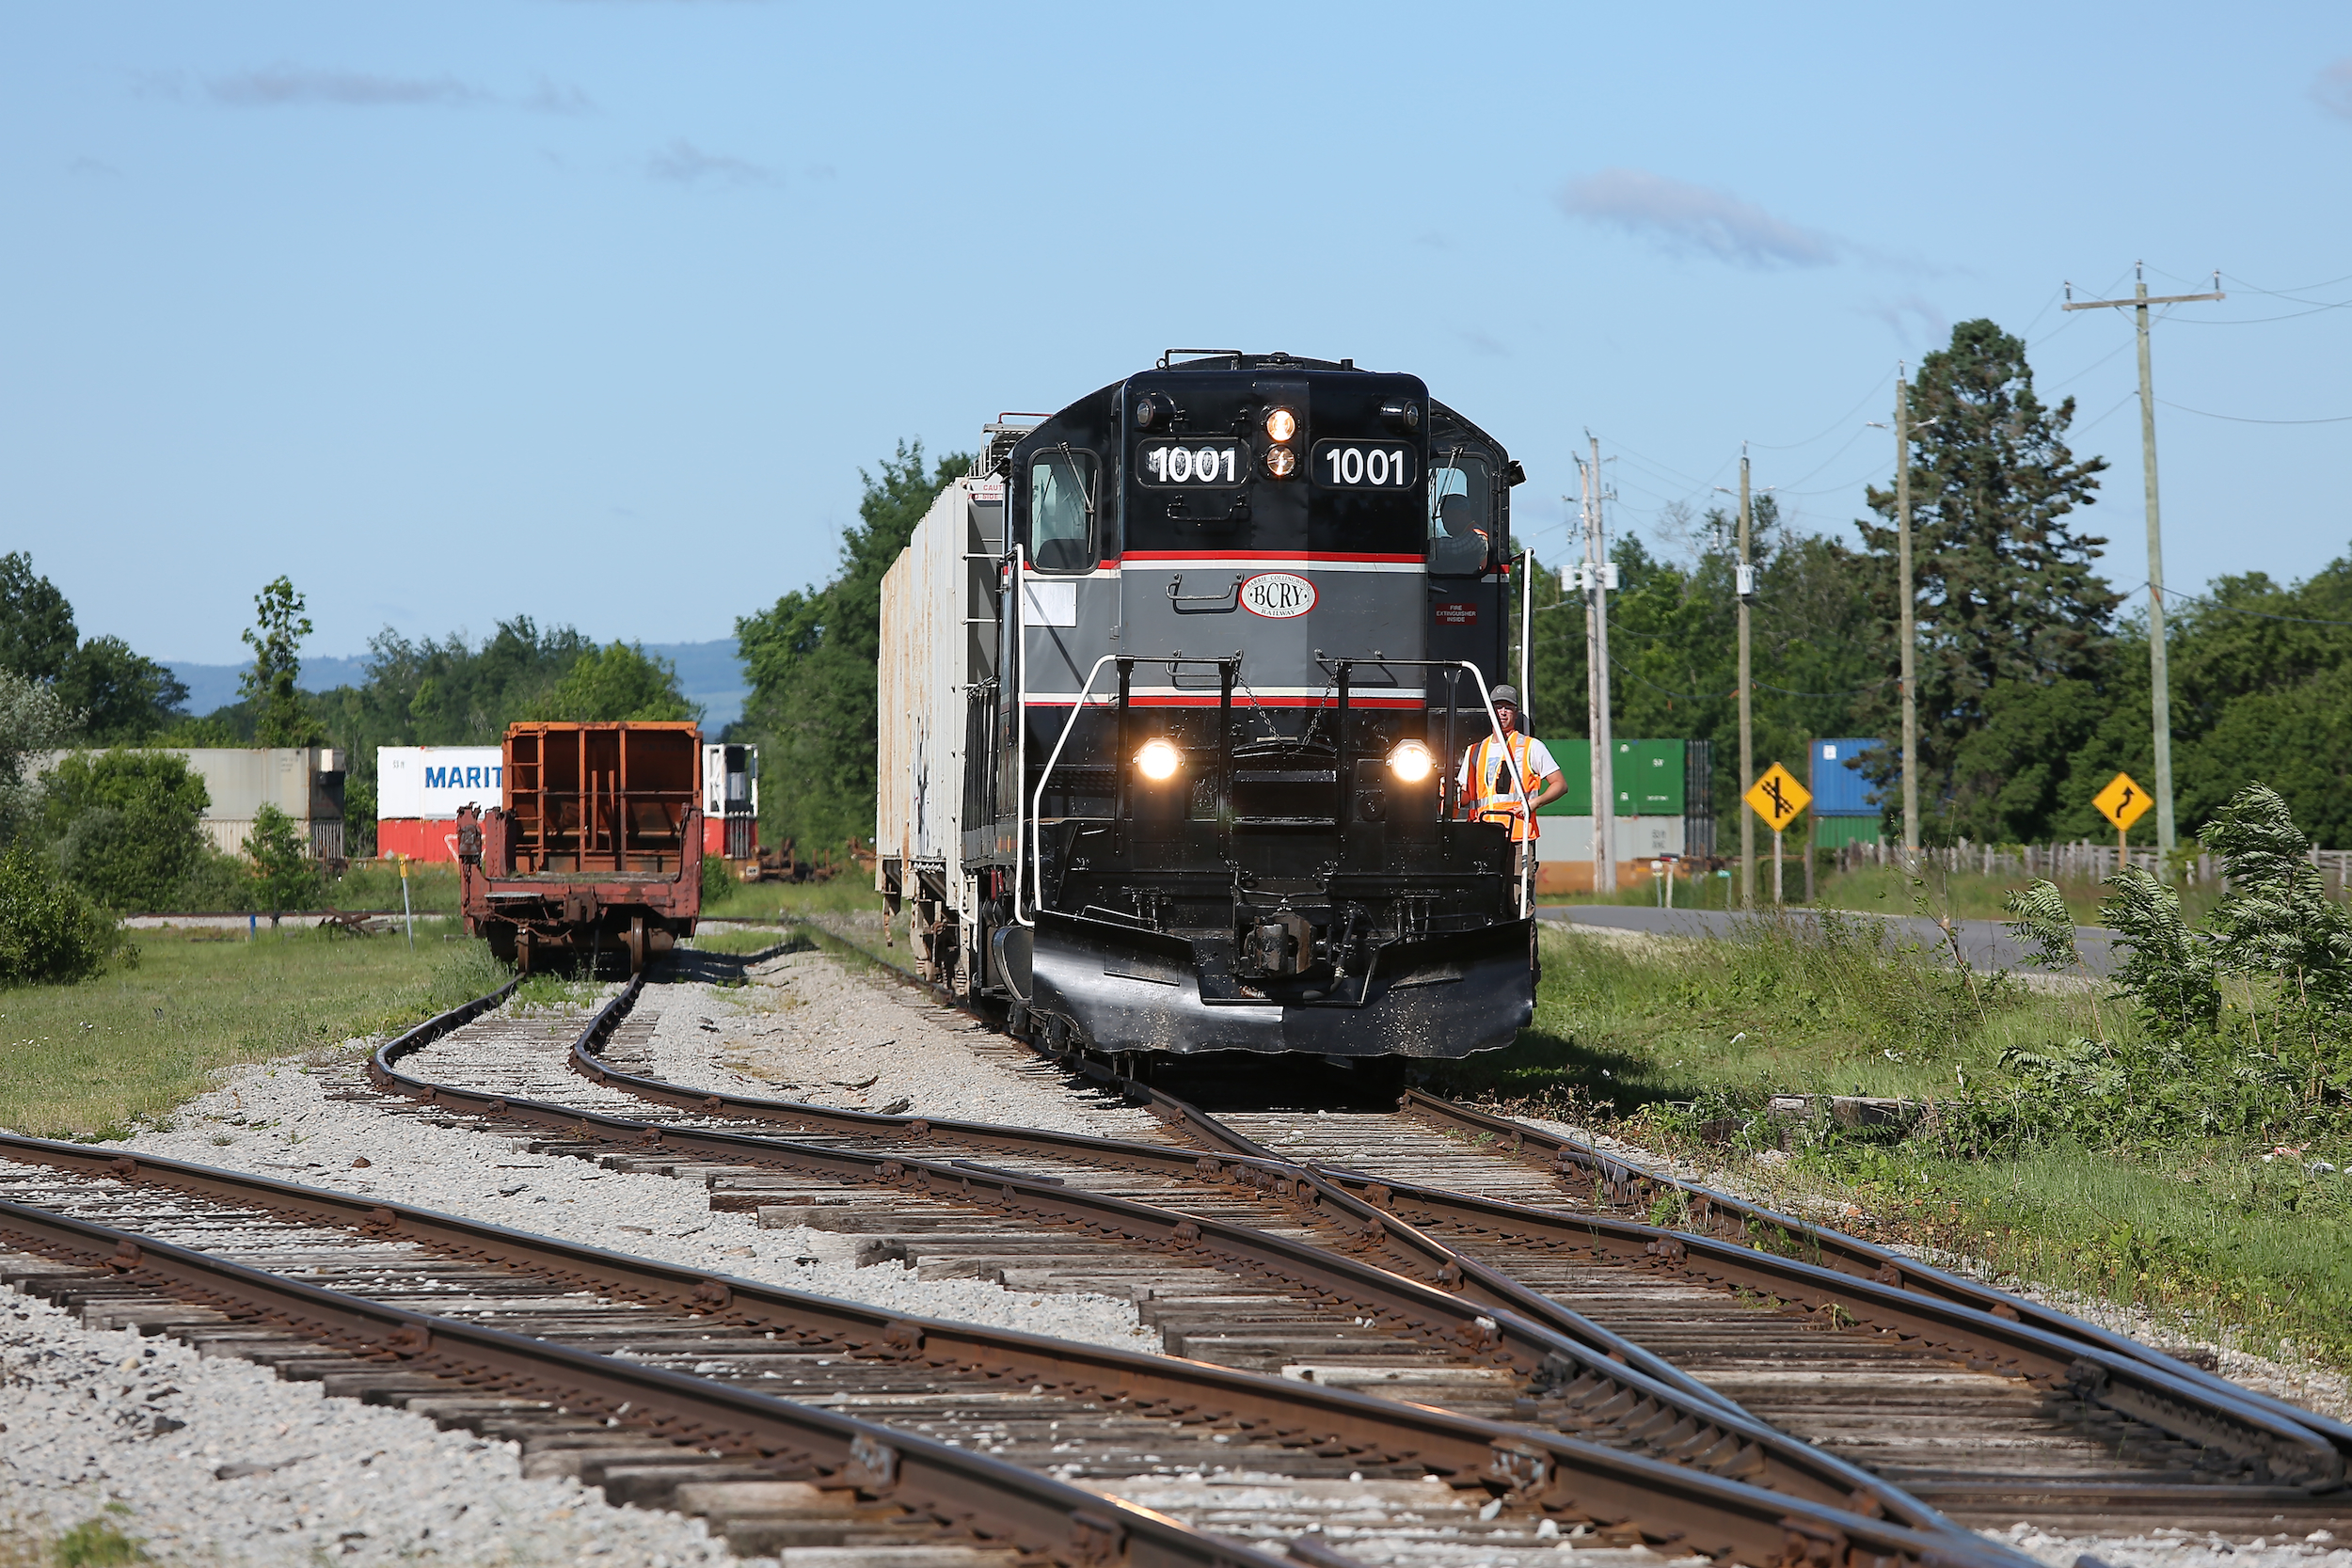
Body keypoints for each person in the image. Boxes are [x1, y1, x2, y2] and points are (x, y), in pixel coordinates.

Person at [1458, 686, 1569, 875]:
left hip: (1518, 837)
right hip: (1482, 837)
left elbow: (1560, 784)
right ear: (1489, 711)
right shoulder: (1474, 751)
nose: (1502, 712)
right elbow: (1466, 797)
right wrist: (1446, 793)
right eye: (1497, 707)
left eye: (1508, 707)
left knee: (1518, 890)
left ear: (1515, 713)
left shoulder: (1531, 747)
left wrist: (1533, 803)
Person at [1429, 492, 1492, 574]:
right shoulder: (1462, 534)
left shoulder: (1477, 535)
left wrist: (1428, 544)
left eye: (1452, 514)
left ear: (1467, 514)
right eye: (1444, 515)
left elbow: (1456, 547)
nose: (1447, 519)